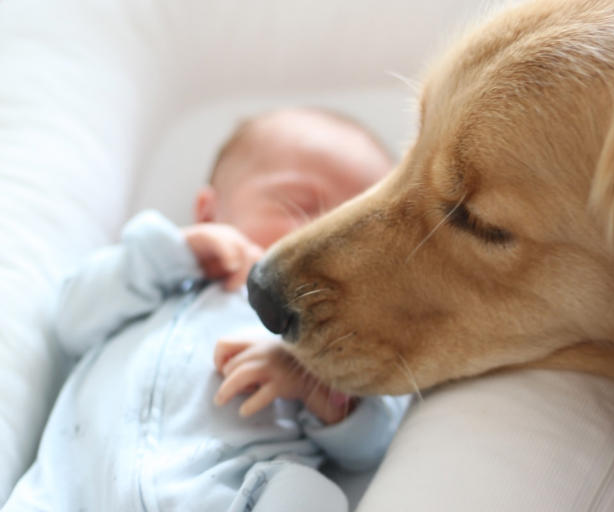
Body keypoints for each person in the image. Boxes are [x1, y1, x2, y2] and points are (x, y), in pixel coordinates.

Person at [2, 108, 408, 512]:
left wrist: (311, 377)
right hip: (69, 493)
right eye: (298, 206)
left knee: (311, 494)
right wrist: (172, 254)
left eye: (349, 227)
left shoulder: (327, 327)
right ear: (208, 212)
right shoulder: (152, 277)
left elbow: (370, 445)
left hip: (225, 494)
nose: (321, 237)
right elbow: (71, 320)